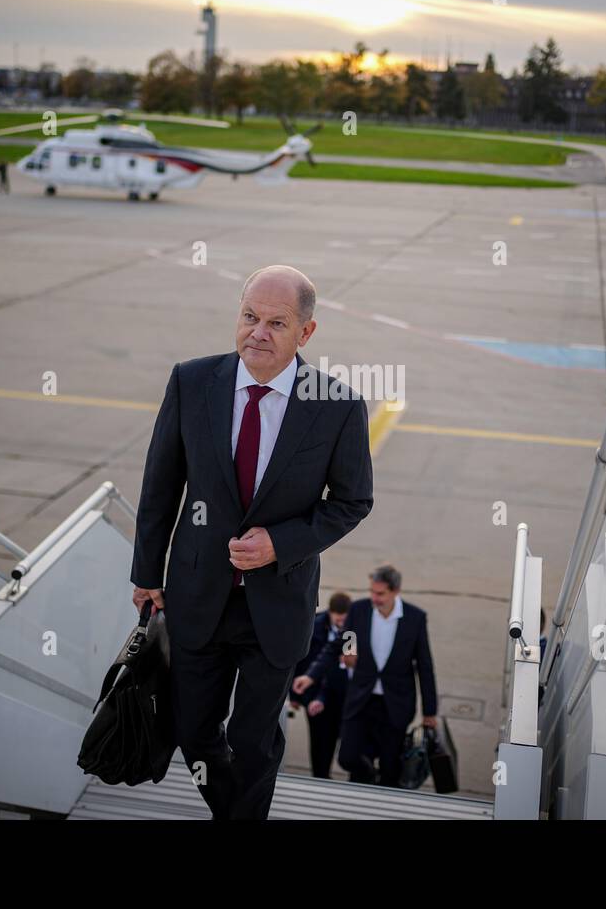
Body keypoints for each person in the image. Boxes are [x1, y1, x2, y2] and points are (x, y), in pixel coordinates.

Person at [130, 265, 374, 820]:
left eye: (276, 322)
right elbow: (160, 485)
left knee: (254, 744)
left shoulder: (337, 406)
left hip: (277, 603)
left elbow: (352, 501)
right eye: (248, 317)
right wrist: (146, 573)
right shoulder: (192, 383)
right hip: (197, 594)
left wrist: (281, 543)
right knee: (193, 734)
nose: (257, 333)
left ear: (305, 333)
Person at [295, 563, 437, 788]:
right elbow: (340, 644)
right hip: (361, 699)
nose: (374, 598)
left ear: (395, 591)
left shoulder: (415, 618)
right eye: (372, 591)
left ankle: (379, 790)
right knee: (348, 757)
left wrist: (430, 711)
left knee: (391, 766)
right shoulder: (359, 610)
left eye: (380, 593)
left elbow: (425, 665)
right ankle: (369, 775)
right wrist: (311, 676)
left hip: (395, 703)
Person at [289, 592, 351, 779]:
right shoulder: (314, 626)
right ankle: (321, 777)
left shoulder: (352, 630)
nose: (341, 623)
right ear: (330, 613)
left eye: (344, 619)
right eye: (338, 619)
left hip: (343, 695)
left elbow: (350, 663)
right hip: (314, 695)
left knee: (347, 743)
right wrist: (295, 697)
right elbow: (299, 662)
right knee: (320, 741)